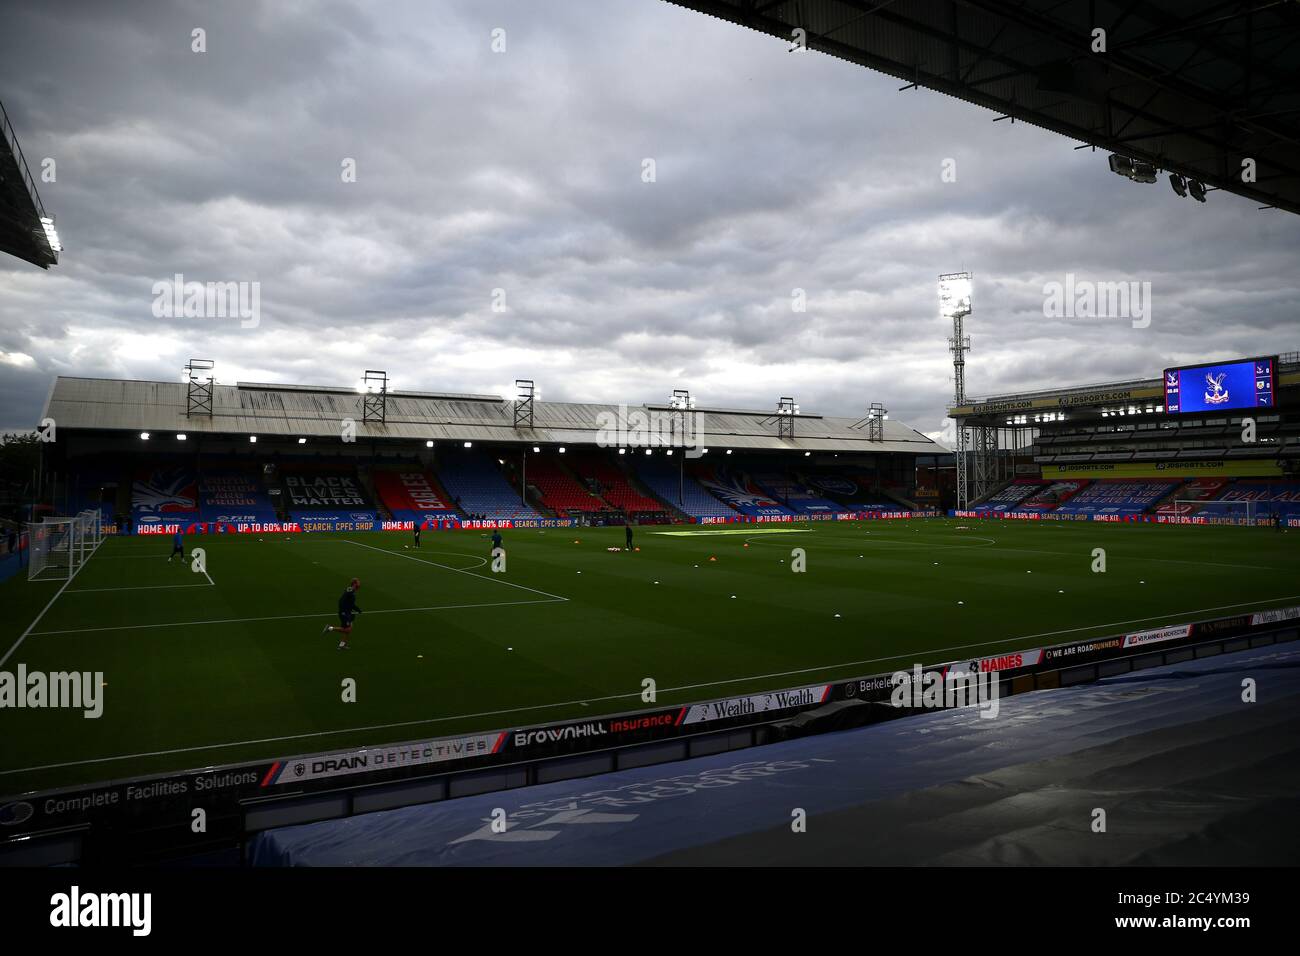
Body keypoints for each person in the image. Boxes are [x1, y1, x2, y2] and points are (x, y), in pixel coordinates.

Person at [323, 578, 363, 649]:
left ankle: (342, 645)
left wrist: (358, 610)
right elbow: (341, 600)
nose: (360, 583)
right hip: (344, 613)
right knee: (347, 629)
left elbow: (351, 604)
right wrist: (343, 611)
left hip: (348, 612)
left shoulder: (353, 592)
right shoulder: (350, 590)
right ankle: (330, 628)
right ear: (354, 583)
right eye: (358, 582)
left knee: (349, 628)